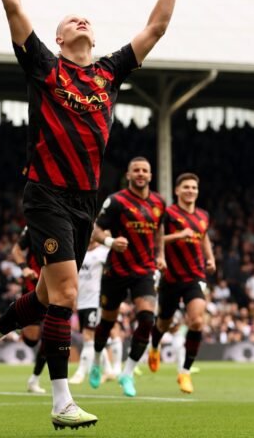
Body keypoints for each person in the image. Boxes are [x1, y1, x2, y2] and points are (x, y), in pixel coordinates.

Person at [0, 0, 191, 430]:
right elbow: (13, 3)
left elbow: (156, 27)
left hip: (86, 199)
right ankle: (61, 401)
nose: (81, 20)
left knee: (45, 297)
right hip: (45, 193)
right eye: (71, 20)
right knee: (65, 294)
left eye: (86, 18)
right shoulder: (45, 67)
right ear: (60, 39)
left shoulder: (109, 73)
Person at [89, 157, 166, 397]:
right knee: (107, 322)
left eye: (145, 170)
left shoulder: (158, 202)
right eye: (137, 170)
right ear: (129, 175)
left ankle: (128, 373)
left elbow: (159, 229)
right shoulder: (116, 201)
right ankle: (97, 360)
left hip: (144, 271)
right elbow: (95, 228)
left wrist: (161, 254)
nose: (141, 173)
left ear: (150, 176)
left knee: (147, 320)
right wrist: (111, 241)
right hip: (117, 271)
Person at [148, 172, 215, 394]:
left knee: (196, 321)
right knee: (163, 323)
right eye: (186, 187)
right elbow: (155, 238)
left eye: (194, 188)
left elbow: (203, 236)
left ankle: (184, 372)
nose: (190, 191)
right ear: (177, 190)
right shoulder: (167, 214)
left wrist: (210, 258)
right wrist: (178, 236)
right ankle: (155, 346)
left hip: (195, 276)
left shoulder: (203, 215)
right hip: (171, 277)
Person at [10, 226, 48, 393]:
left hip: (57, 288)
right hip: (34, 288)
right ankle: (17, 321)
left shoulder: (69, 222)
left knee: (50, 338)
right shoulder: (34, 225)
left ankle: (34, 380)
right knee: (32, 340)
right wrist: (24, 267)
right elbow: (16, 249)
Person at [70, 241, 111, 384]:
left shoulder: (103, 252)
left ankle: (81, 373)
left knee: (88, 337)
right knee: (92, 337)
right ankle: (109, 370)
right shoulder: (78, 250)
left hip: (95, 301)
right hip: (81, 301)